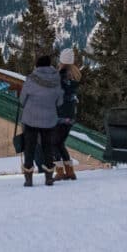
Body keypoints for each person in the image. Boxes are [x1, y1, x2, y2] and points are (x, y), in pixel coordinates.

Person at [18, 53, 63, 187]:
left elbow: (22, 99)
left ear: (37, 65)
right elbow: (59, 101)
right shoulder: (56, 79)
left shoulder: (31, 79)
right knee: (47, 147)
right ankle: (48, 177)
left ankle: (28, 178)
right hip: (49, 120)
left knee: (29, 147)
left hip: (31, 118)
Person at [51, 48, 80, 181]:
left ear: (62, 61)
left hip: (59, 115)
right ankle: (70, 171)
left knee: (54, 143)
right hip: (70, 116)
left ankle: (60, 171)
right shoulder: (75, 75)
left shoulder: (60, 76)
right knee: (60, 143)